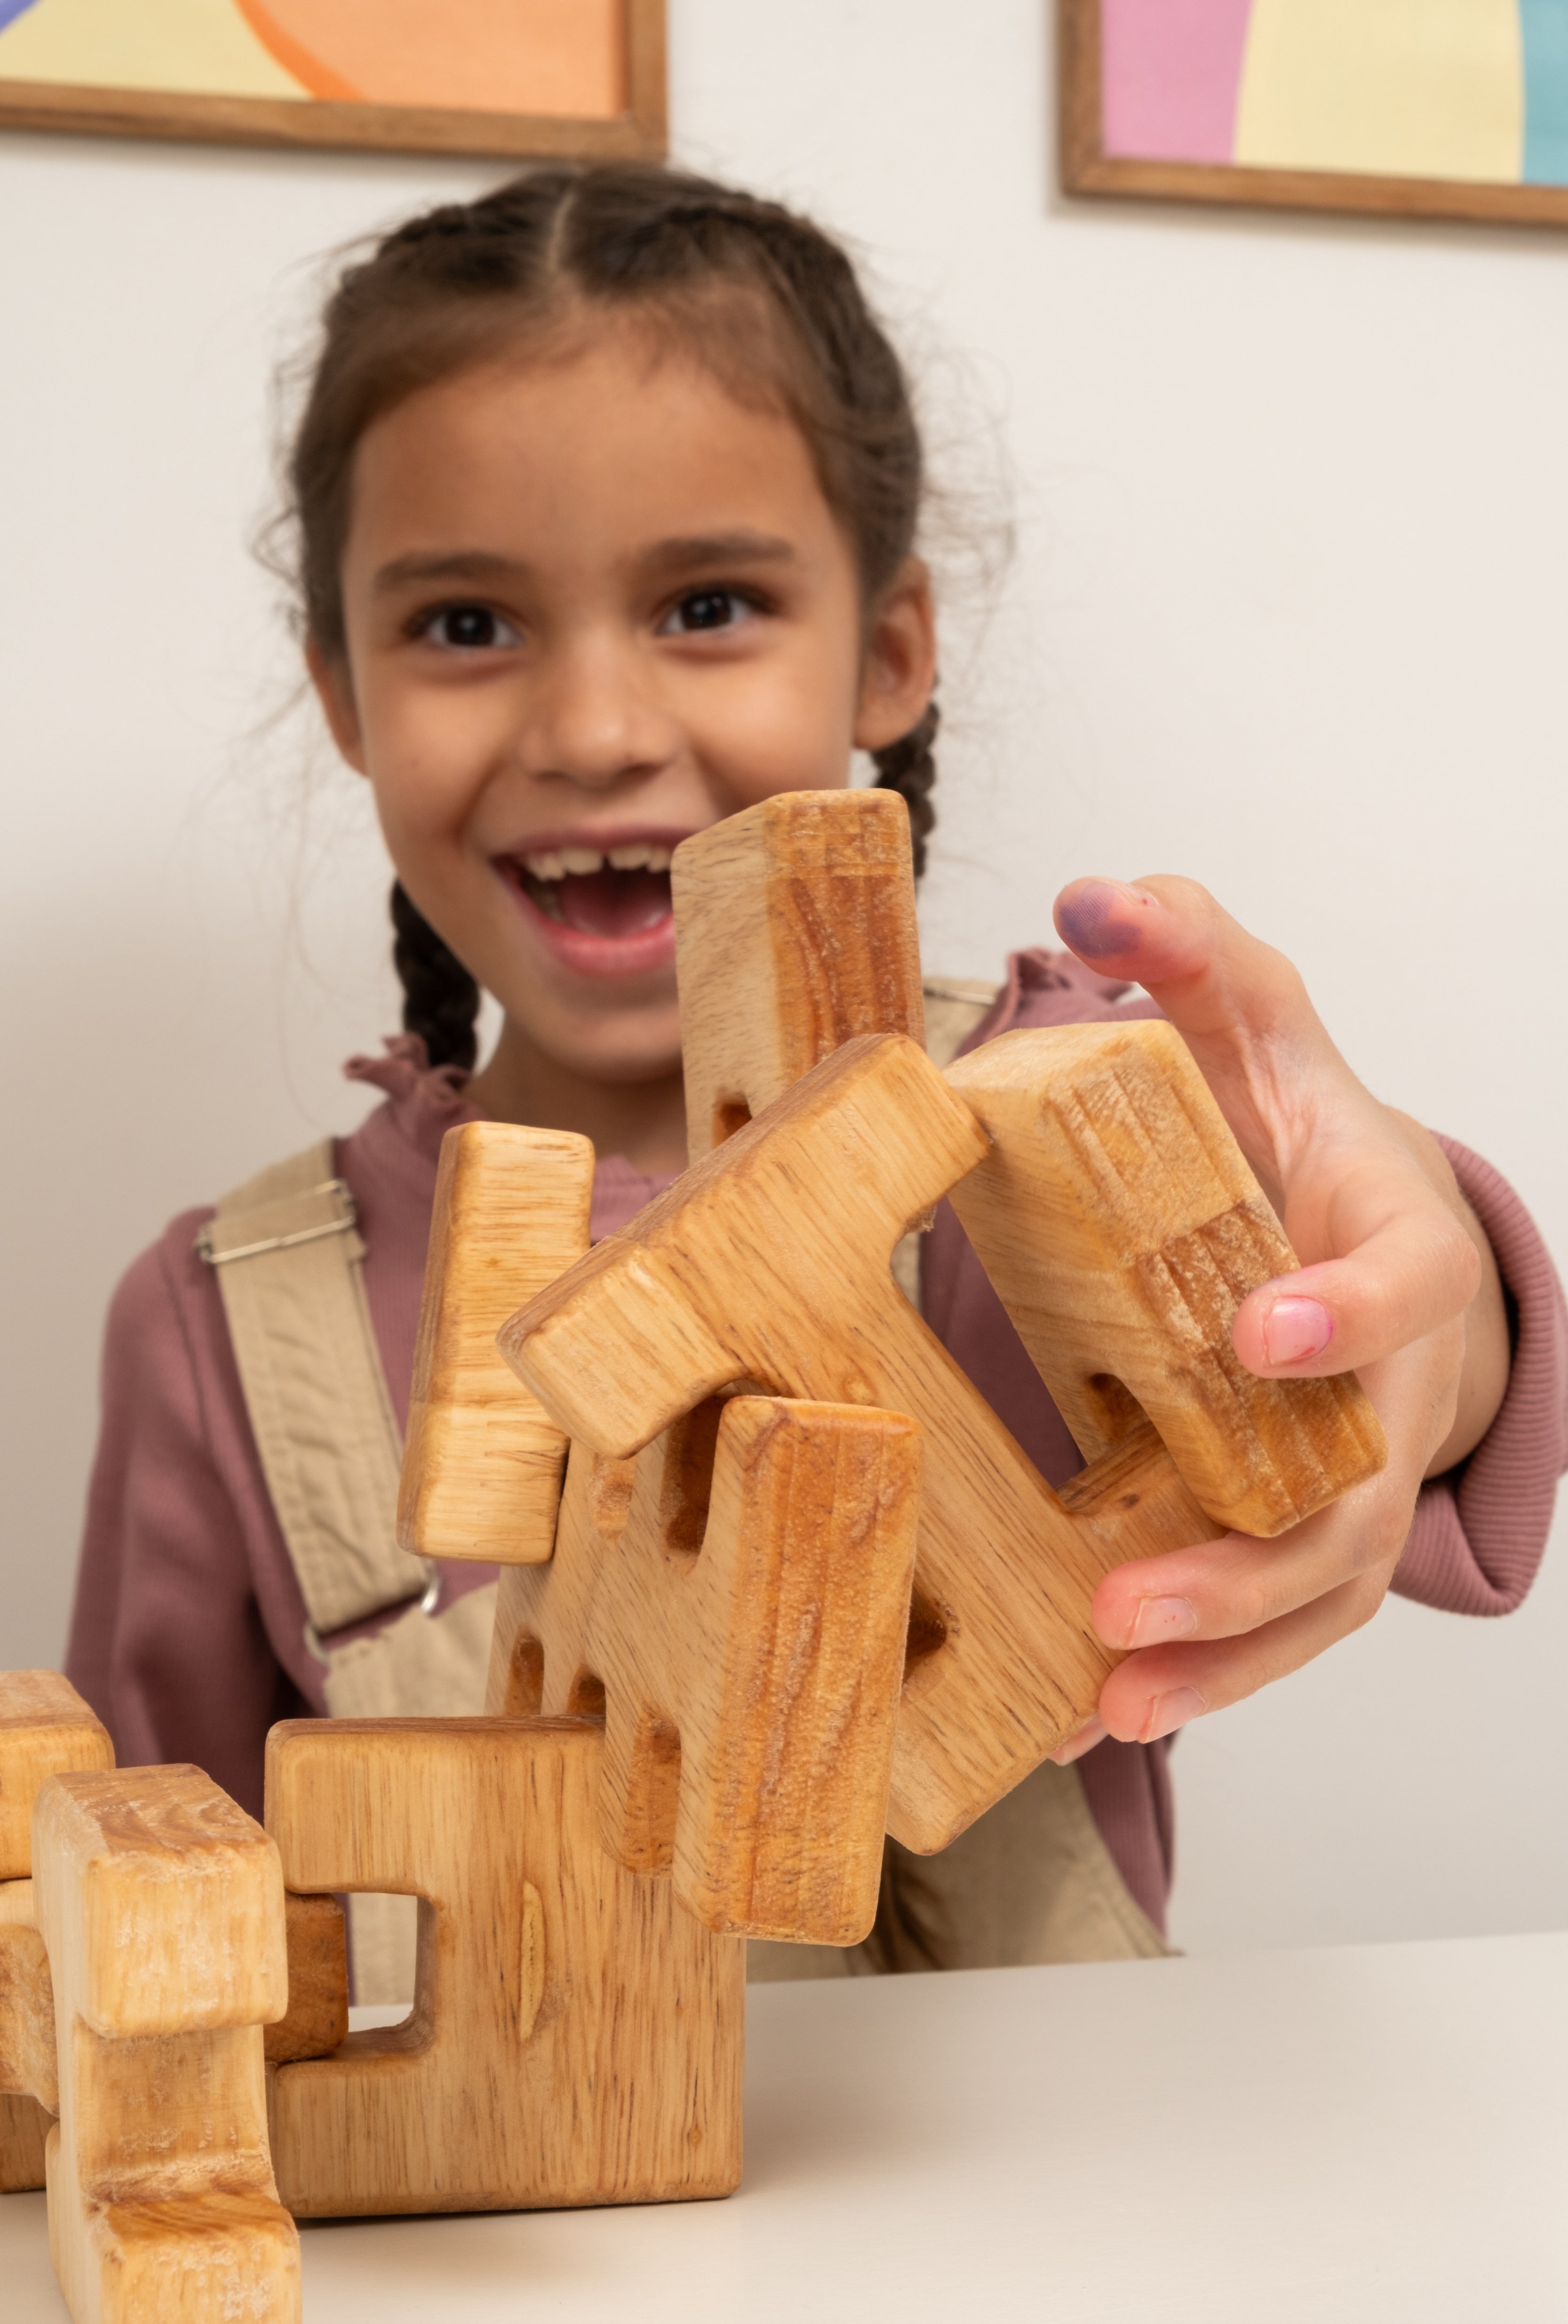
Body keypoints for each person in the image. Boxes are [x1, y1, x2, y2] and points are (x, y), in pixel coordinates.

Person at [65, 165, 1567, 1989]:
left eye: (706, 603)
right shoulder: (226, 1319)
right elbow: (147, 1917)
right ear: (343, 691)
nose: (598, 729)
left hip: (1068, 2235)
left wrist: (1425, 1305)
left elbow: (1403, 1311)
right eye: (466, 624)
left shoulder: (1049, 1107)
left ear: (891, 648)